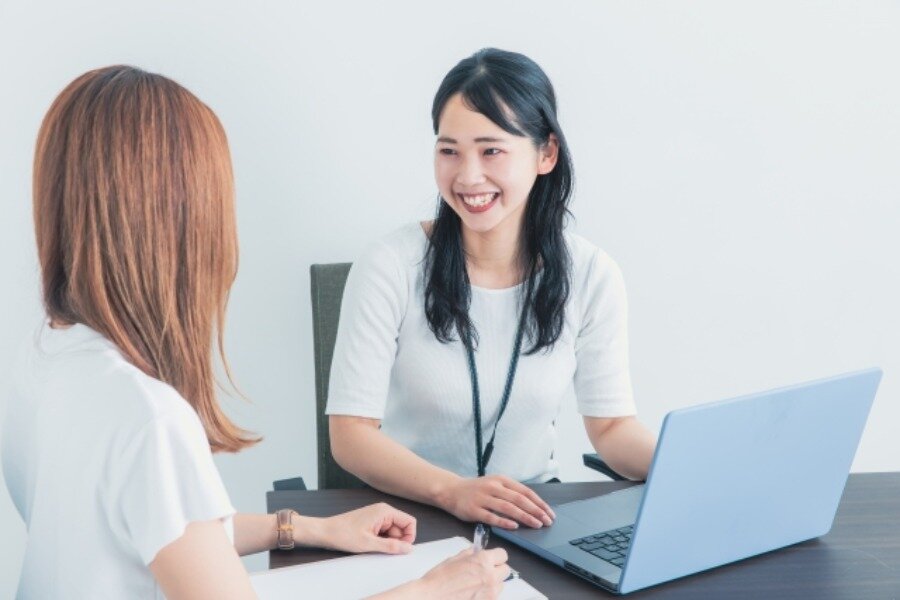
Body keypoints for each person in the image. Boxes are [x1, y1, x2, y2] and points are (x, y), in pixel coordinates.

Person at [1, 65, 508, 599]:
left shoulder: (49, 354)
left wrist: (303, 528)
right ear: (181, 218)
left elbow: (164, 526)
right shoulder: (149, 420)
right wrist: (435, 590)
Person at [327, 48, 657, 531]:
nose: (467, 176)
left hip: (531, 516)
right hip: (407, 517)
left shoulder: (591, 274)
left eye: (491, 151)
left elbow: (611, 428)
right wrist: (452, 491)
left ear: (546, 154)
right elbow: (349, 434)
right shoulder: (390, 265)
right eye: (449, 151)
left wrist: (690, 471)